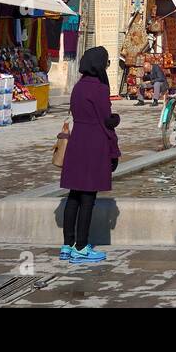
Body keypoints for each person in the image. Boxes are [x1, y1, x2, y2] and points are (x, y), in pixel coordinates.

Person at [60, 47, 120, 264]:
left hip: (78, 142)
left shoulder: (78, 87)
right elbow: (106, 121)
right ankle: (82, 247)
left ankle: (67, 245)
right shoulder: (99, 89)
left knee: (73, 196)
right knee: (88, 198)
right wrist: (114, 147)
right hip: (94, 144)